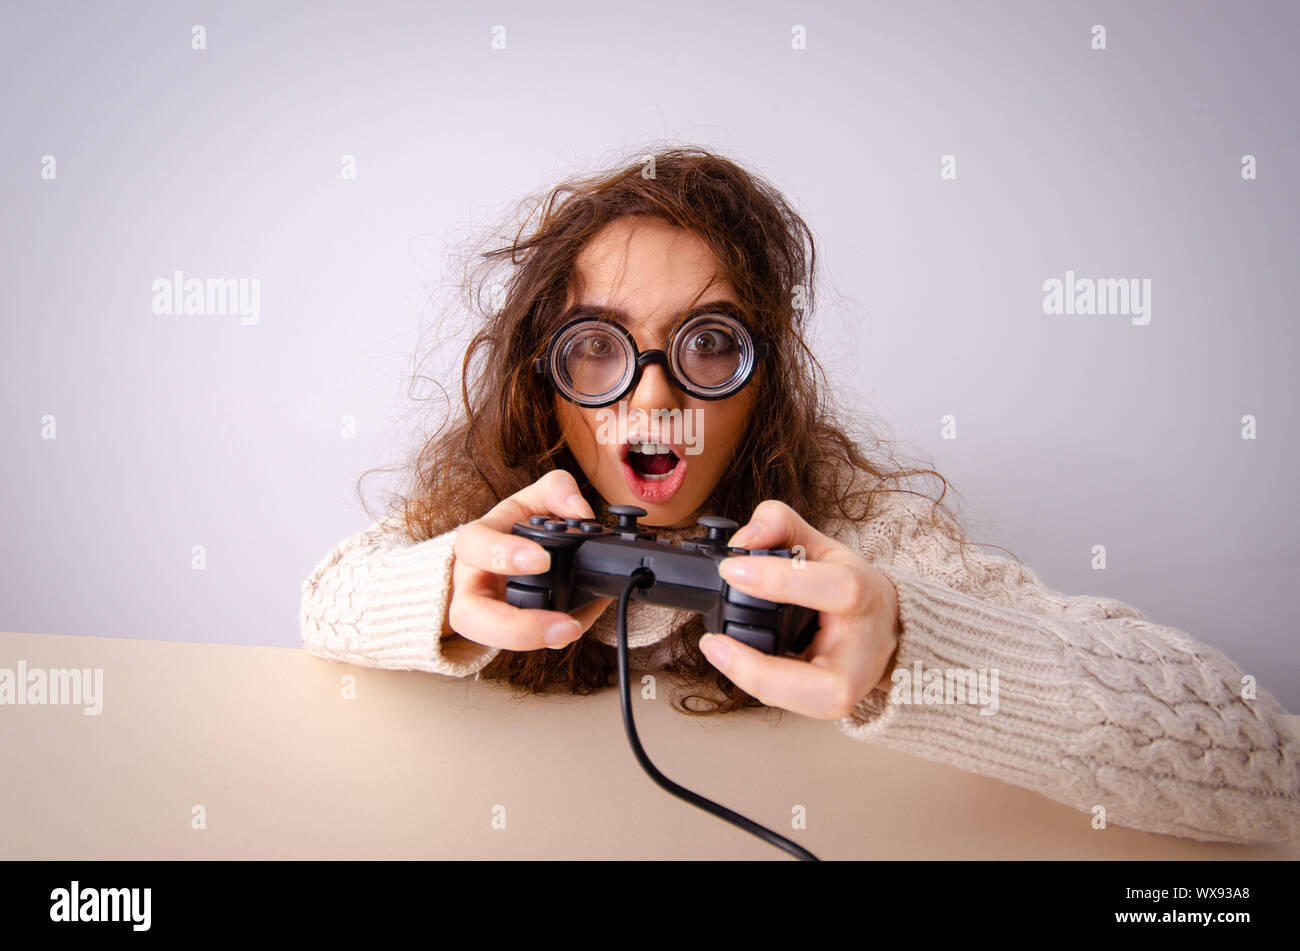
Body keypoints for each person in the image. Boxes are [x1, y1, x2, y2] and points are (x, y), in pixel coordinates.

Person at [300, 146, 1299, 845]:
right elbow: (329, 597)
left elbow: (1267, 771)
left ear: (763, 380)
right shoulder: (507, 511)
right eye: (597, 347)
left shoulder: (861, 540)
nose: (653, 396)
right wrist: (443, 594)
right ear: (542, 380)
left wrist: (911, 645)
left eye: (708, 345)